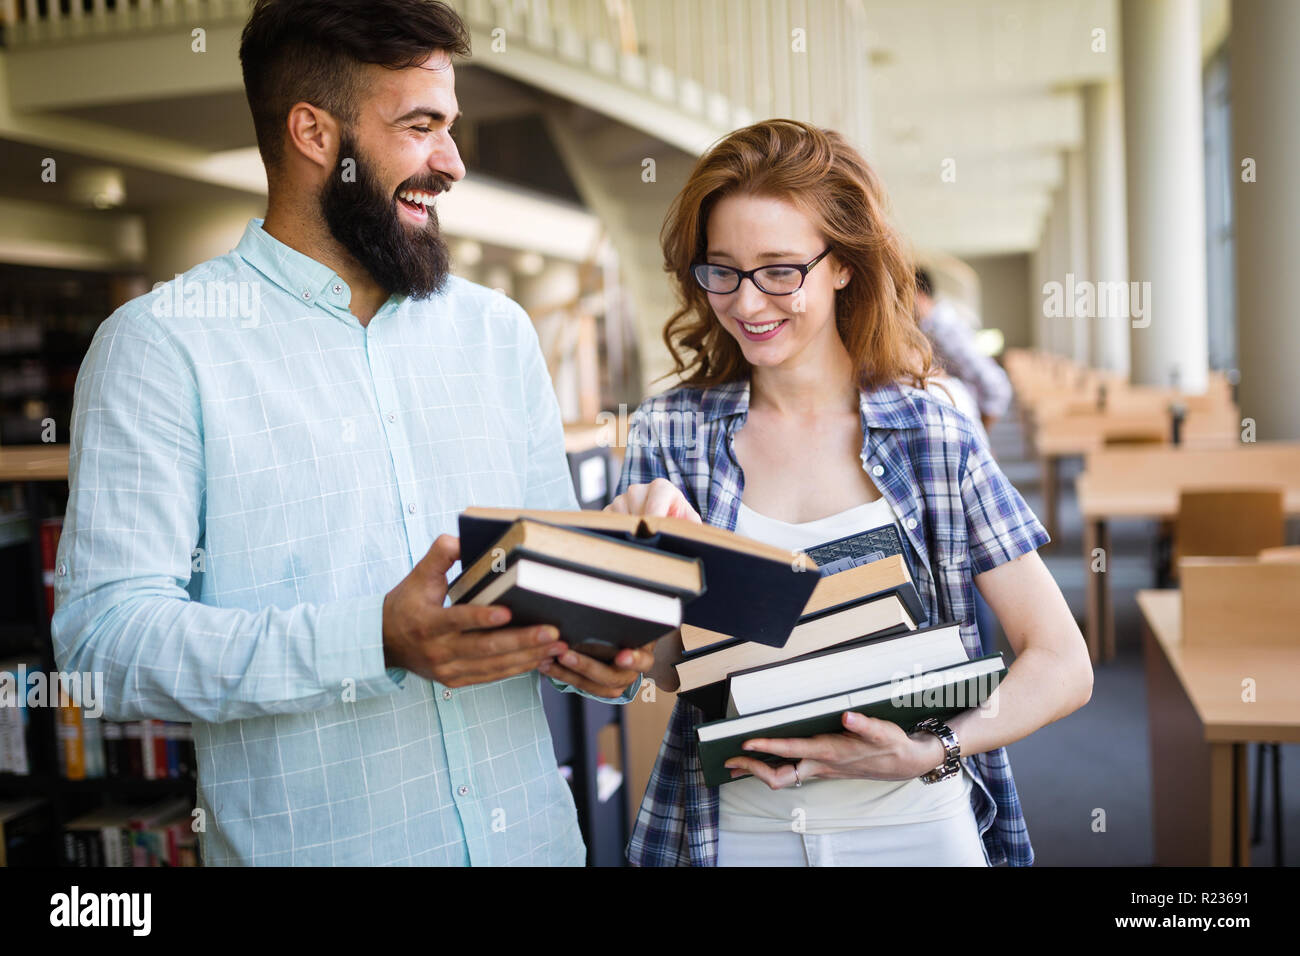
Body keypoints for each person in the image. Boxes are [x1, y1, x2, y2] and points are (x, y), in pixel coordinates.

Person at [51, 0, 650, 866]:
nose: (450, 163)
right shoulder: (160, 348)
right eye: (420, 127)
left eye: (450, 127)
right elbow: (103, 646)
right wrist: (372, 639)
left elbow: (546, 588)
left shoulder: (498, 333)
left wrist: (603, 648)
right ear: (313, 134)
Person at [609, 119, 1092, 867]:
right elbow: (670, 670)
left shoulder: (935, 432)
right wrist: (636, 582)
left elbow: (1062, 662)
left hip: (917, 826)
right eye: (723, 270)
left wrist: (938, 744)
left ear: (843, 266)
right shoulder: (670, 432)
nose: (746, 302)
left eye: (779, 269)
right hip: (737, 832)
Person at [914, 267, 1013, 431]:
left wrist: (980, 433)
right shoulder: (929, 327)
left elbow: (996, 386)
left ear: (920, 294)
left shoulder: (945, 331)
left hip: (963, 422)